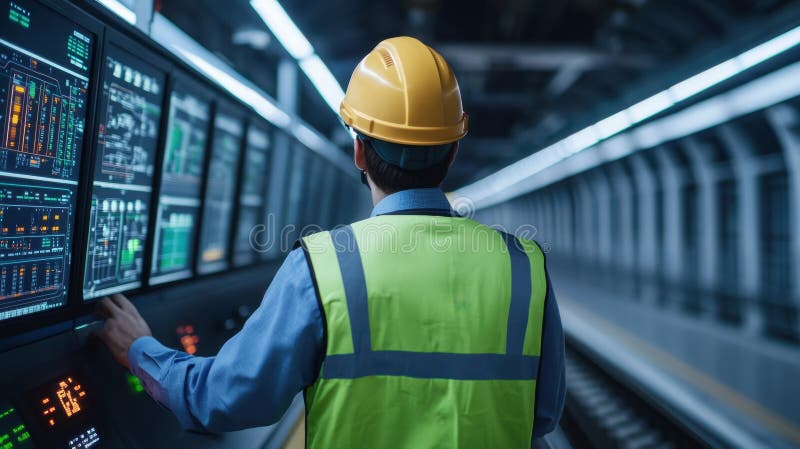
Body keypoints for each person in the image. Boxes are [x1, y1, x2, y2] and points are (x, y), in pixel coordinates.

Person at [97, 36, 565, 448]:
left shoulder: (324, 268)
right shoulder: (524, 268)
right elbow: (541, 415)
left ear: (359, 150)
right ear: (454, 148)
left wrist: (142, 350)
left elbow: (224, 399)